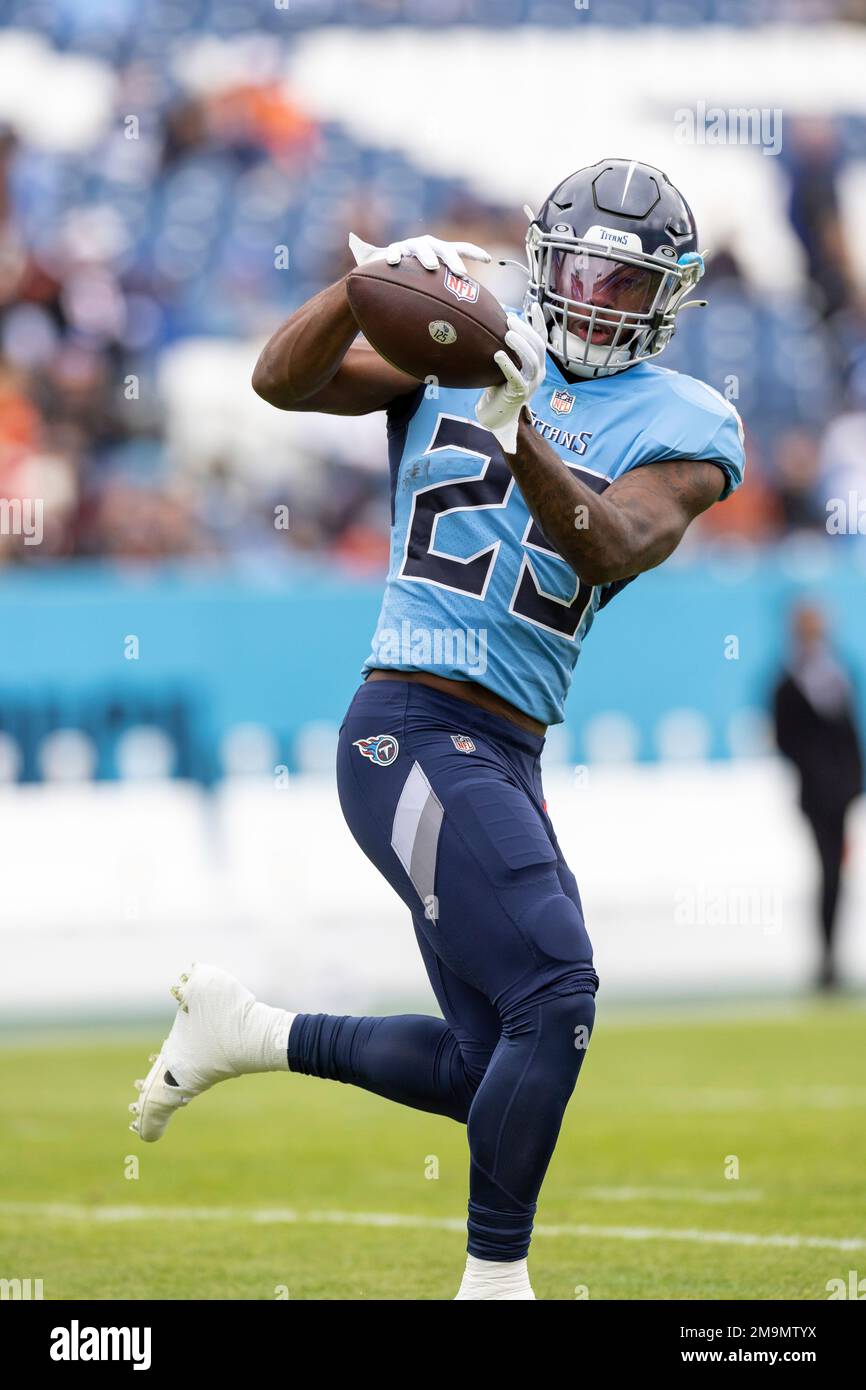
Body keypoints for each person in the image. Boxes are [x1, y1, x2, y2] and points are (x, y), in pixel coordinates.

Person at [130, 158, 746, 1300]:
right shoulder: (455, 347)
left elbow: (608, 543)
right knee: (555, 993)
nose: (597, 301)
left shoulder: (690, 423)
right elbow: (279, 382)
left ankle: (246, 1030)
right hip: (406, 722)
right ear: (544, 265)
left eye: (625, 285)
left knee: (485, 1060)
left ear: (669, 298)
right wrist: (359, 287)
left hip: (508, 747)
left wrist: (519, 429)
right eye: (582, 275)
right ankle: (492, 1284)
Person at [773, 602, 863, 990]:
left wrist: (853, 781)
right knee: (829, 873)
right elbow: (786, 741)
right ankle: (826, 959)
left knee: (835, 874)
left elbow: (848, 736)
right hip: (817, 795)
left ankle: (831, 957)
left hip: (840, 793)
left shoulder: (836, 675)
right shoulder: (789, 684)